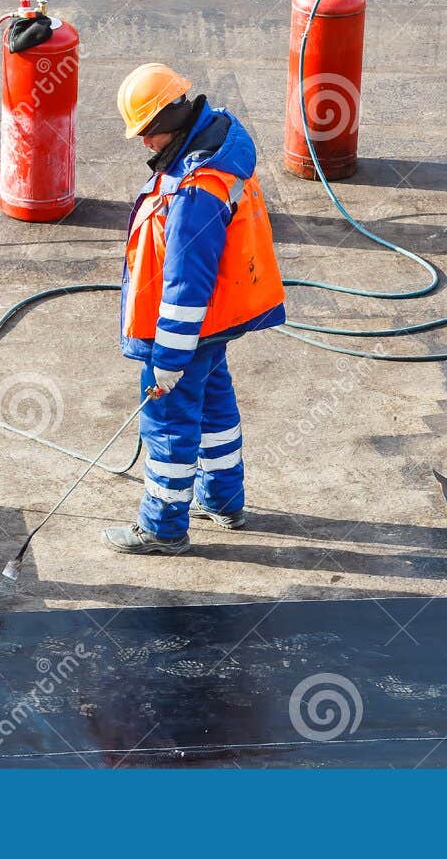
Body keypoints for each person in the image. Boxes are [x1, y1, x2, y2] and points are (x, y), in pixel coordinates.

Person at [104, 64, 286, 556]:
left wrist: (167, 358)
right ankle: (225, 502)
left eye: (146, 131)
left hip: (186, 331)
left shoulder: (196, 190)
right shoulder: (220, 142)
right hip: (219, 322)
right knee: (214, 406)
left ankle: (163, 527)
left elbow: (186, 284)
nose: (143, 143)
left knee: (169, 422)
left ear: (170, 117)